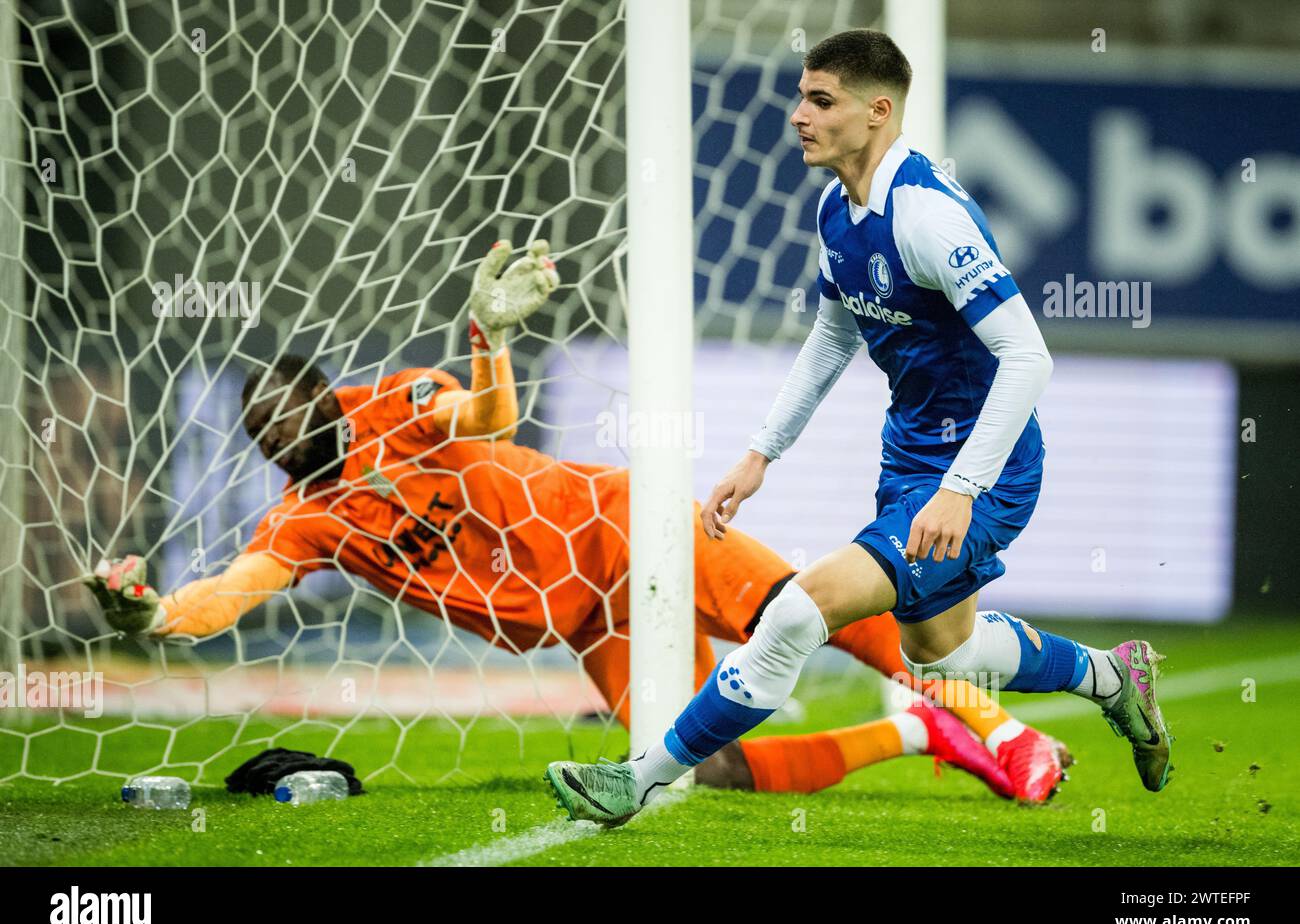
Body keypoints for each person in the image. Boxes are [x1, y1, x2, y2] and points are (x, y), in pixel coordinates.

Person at [84, 239, 1068, 801]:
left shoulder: (391, 405)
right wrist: (153, 617)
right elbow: (233, 590)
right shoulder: (307, 522)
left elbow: (487, 418)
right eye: (261, 432)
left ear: (325, 399)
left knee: (809, 616)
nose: (276, 439)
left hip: (625, 527)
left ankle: (1003, 728)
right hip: (593, 618)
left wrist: (489, 338)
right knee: (707, 768)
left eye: (288, 416)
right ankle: (917, 739)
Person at [544, 29, 1170, 828]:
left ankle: (639, 780)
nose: (798, 114)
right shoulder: (837, 213)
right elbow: (835, 336)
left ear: (877, 112)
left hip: (986, 469)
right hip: (912, 456)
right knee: (945, 654)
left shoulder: (929, 219)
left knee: (800, 612)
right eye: (802, 95)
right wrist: (761, 452)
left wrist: (960, 490)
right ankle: (1112, 678)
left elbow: (1028, 357)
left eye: (820, 99)